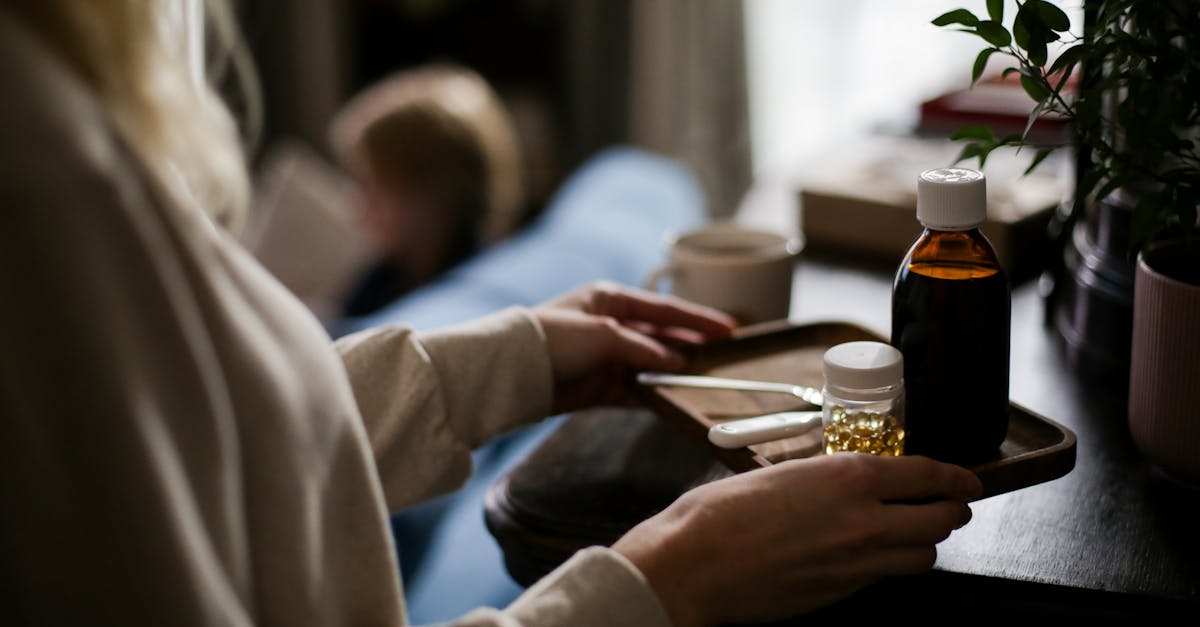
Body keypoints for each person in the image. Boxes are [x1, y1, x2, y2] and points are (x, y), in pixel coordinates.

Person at [0, 2, 983, 626]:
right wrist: (662, 584)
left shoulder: (60, 101)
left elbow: (188, 432)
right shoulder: (38, 172)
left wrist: (513, 360)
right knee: (637, 186)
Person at [328, 63, 527, 318]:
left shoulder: (482, 291)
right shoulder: (381, 279)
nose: (359, 207)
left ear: (433, 193)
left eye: (374, 187)